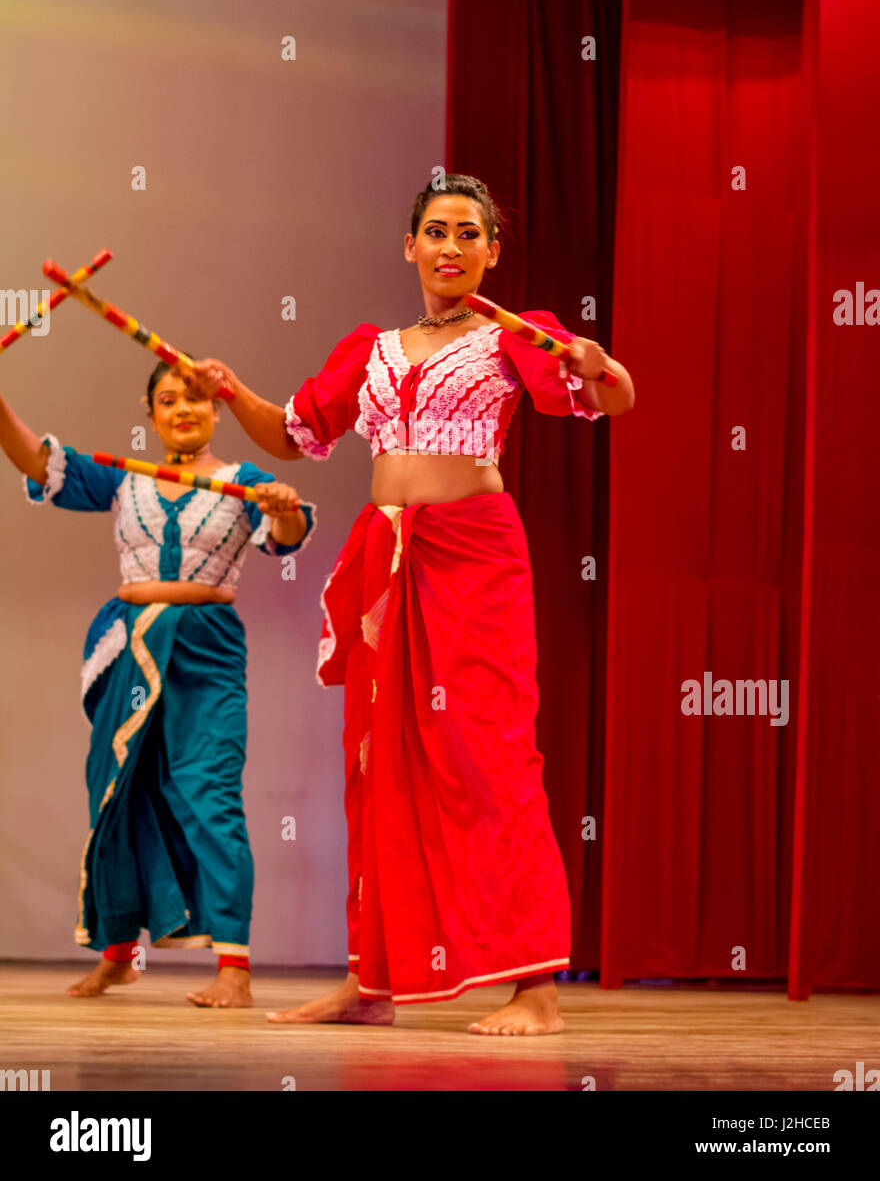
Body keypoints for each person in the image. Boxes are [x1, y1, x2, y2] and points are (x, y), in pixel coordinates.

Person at [183, 174, 635, 1034]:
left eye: (470, 233)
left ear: (493, 250)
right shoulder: (371, 348)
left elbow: (613, 399)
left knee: (490, 754)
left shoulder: (518, 334)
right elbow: (297, 432)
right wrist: (234, 392)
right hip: (387, 562)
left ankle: (536, 989)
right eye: (436, 231)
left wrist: (597, 364)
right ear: (410, 246)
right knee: (376, 764)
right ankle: (375, 979)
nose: (452, 247)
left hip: (473, 556)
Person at [0, 361, 315, 1007]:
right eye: (167, 401)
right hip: (128, 642)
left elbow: (288, 536)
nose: (182, 411)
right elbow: (38, 462)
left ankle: (234, 970)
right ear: (149, 416)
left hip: (206, 650)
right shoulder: (127, 475)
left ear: (216, 411)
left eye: (196, 400)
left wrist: (284, 510)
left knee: (210, 794)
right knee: (116, 791)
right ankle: (119, 954)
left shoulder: (241, 481)